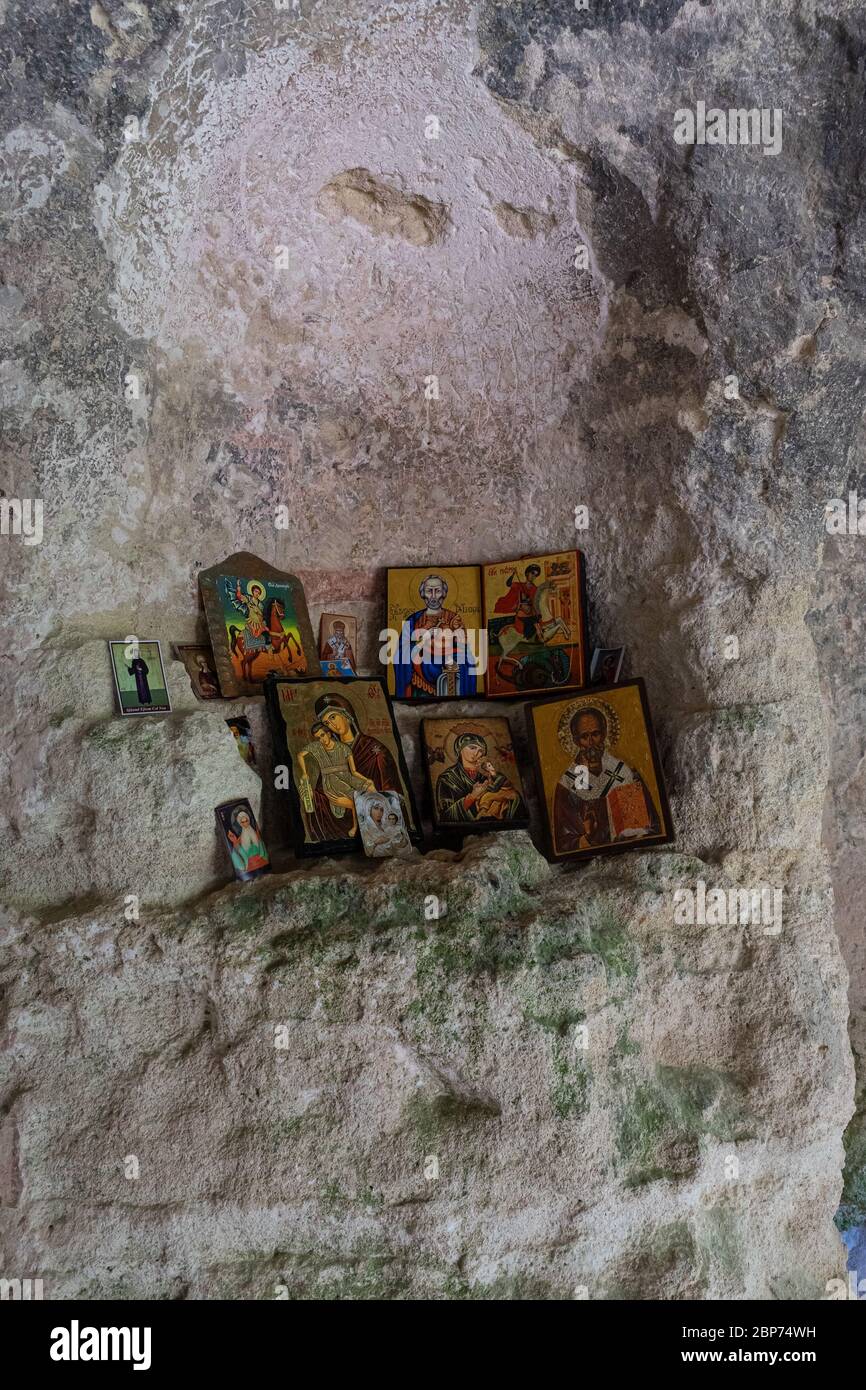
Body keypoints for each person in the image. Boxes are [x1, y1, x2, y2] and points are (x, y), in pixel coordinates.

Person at [552, 706, 659, 852]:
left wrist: (638, 833)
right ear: (576, 740)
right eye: (584, 736)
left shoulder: (624, 772)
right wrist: (589, 837)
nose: (591, 742)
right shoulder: (568, 782)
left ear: (604, 734)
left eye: (595, 734)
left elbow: (651, 825)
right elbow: (564, 843)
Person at [393, 574, 474, 698]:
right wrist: (424, 639)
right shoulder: (413, 620)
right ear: (423, 594)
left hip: (449, 671)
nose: (434, 596)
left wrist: (456, 659)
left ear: (444, 593)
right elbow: (401, 652)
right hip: (420, 682)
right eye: (429, 591)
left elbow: (465, 651)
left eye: (438, 591)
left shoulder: (454, 619)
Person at [297, 721, 373, 835]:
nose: (321, 739)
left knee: (370, 786)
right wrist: (304, 773)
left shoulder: (343, 747)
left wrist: (366, 780)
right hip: (331, 780)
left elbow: (353, 771)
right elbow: (300, 755)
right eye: (318, 738)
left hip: (347, 776)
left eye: (322, 735)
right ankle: (356, 827)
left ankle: (383, 818)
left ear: (328, 734)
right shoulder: (316, 747)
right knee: (354, 798)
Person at [435, 732, 525, 823]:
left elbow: (512, 796)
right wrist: (472, 797)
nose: (477, 753)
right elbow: (445, 816)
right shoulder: (447, 778)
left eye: (481, 750)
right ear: (460, 749)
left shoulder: (488, 775)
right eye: (472, 748)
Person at [227, 806, 269, 876]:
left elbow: (262, 848)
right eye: (242, 822)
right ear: (240, 823)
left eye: (246, 821)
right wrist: (234, 841)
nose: (245, 823)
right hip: (250, 865)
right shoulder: (240, 839)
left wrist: (261, 856)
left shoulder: (256, 833)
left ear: (248, 820)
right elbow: (239, 853)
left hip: (261, 861)